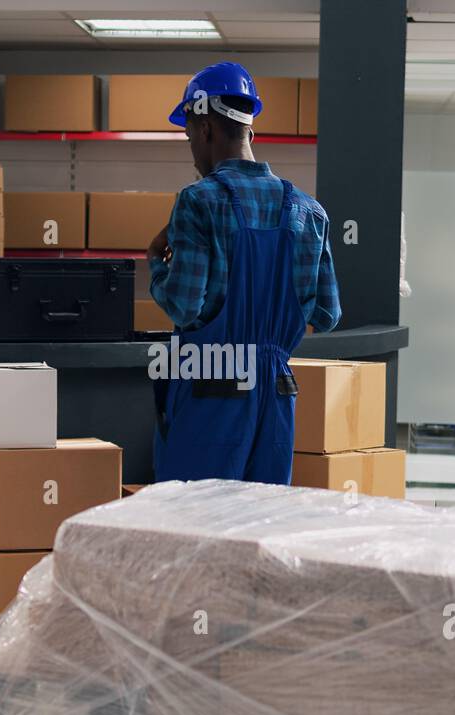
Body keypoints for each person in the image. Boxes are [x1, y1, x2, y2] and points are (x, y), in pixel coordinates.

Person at [148, 61, 340, 484]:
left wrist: (155, 263)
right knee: (259, 517)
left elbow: (183, 306)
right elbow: (327, 315)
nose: (192, 150)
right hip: (277, 396)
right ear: (249, 131)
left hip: (212, 388)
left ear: (205, 129)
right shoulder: (310, 211)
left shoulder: (198, 201)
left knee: (196, 517)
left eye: (189, 136)